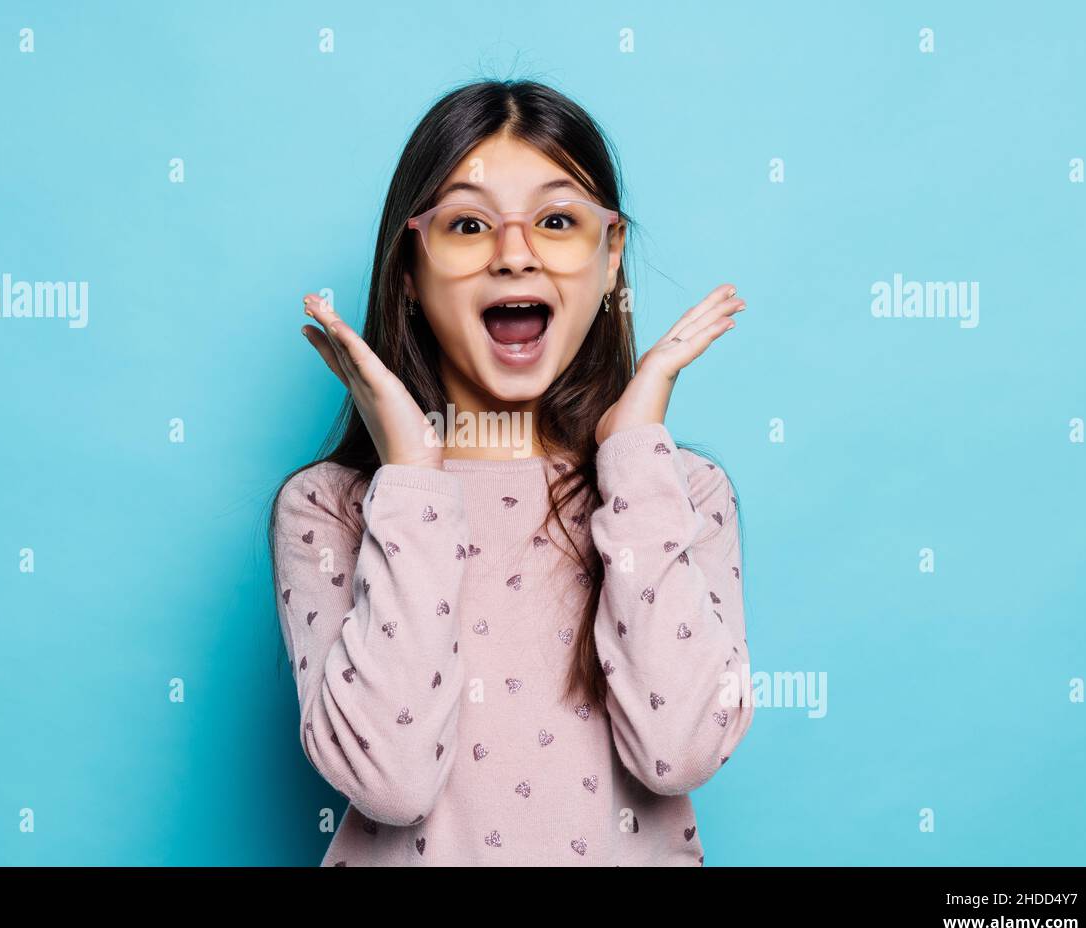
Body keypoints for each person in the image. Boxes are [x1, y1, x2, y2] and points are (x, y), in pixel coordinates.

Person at [268, 78, 752, 865]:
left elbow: (680, 751)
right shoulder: (330, 508)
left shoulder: (682, 493)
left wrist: (633, 452)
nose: (515, 252)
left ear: (610, 255)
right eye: (467, 224)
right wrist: (417, 477)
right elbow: (390, 782)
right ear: (409, 272)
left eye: (558, 220)